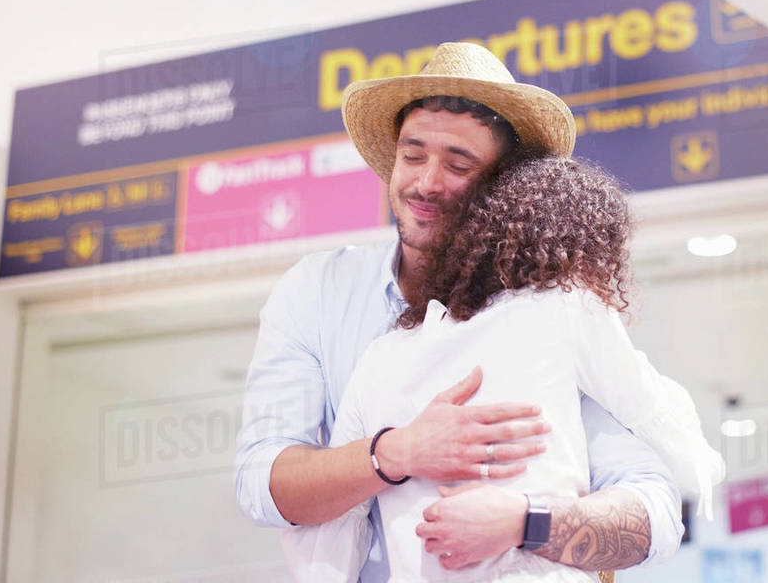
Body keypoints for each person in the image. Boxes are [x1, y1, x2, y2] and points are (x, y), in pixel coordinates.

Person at [235, 42, 686, 581]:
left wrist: (527, 522)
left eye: (458, 164)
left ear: (505, 186)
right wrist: (398, 453)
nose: (426, 182)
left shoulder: (546, 315)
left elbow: (656, 514)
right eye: (413, 155)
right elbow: (261, 483)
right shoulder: (318, 293)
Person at [281, 153, 725, 581]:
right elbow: (645, 404)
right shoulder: (564, 307)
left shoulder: (382, 357)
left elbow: (330, 537)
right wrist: (703, 470)